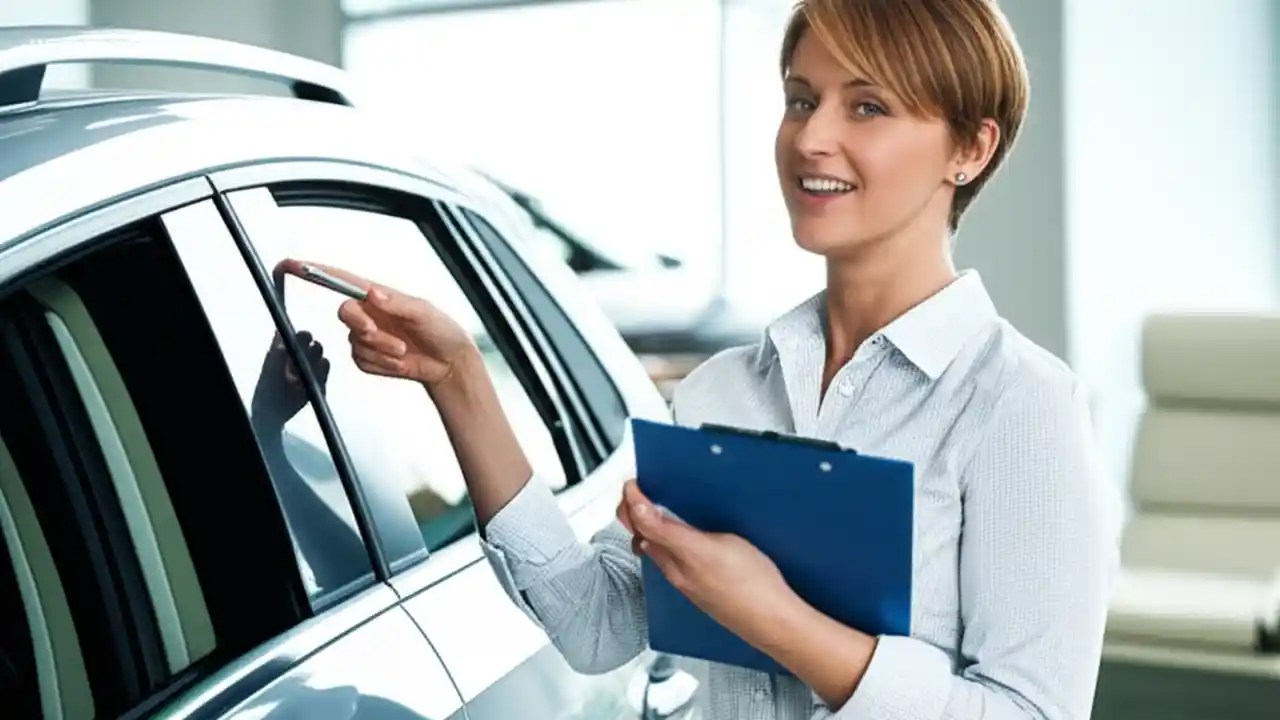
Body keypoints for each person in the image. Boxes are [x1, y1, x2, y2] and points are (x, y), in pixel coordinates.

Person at [299, 0, 1122, 717]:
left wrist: (773, 618)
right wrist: (461, 384)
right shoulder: (725, 391)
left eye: (866, 107)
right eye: (802, 100)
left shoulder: (1019, 406)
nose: (813, 137)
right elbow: (597, 627)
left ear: (969, 150)